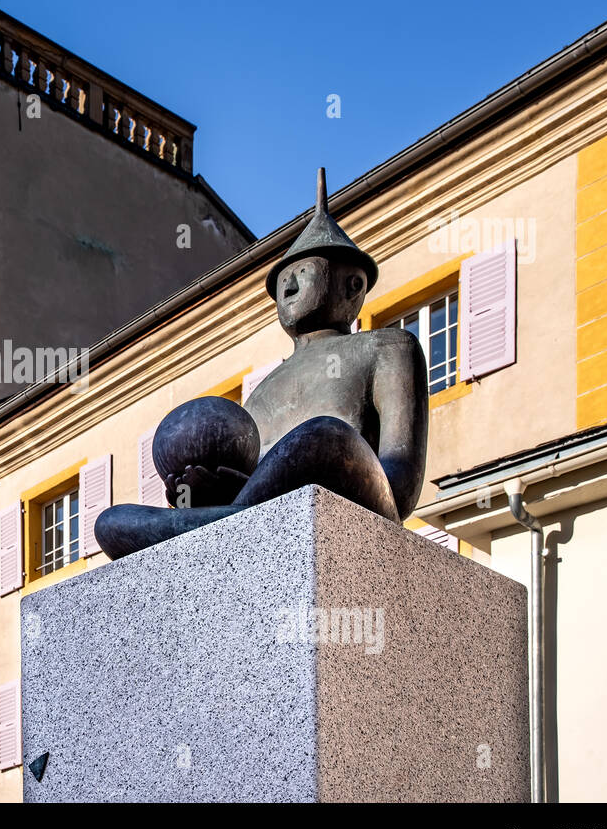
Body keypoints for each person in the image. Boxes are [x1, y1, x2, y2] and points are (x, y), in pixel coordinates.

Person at [94, 169, 429, 560]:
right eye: (280, 283)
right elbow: (257, 480)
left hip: (358, 502)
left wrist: (313, 463)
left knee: (324, 438)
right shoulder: (263, 390)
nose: (285, 291)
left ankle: (218, 526)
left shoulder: (389, 346)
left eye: (300, 275)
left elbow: (398, 487)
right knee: (111, 522)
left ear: (352, 285)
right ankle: (225, 521)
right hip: (258, 512)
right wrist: (213, 490)